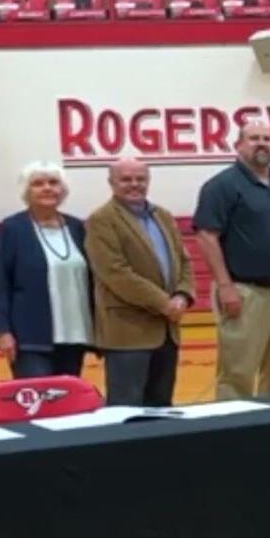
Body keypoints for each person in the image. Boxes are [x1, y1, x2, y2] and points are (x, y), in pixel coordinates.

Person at [193, 120, 270, 400]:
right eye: (254, 138)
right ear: (238, 145)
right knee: (238, 371)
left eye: (267, 139)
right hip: (245, 292)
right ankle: (234, 435)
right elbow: (207, 237)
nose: (262, 144)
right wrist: (225, 287)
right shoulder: (221, 186)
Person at [85, 157, 195, 406]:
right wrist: (164, 303)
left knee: (161, 406)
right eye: (126, 179)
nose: (134, 184)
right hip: (127, 333)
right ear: (111, 183)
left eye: (140, 179)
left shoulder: (164, 216)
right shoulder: (101, 220)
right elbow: (115, 272)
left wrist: (183, 295)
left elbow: (184, 261)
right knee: (126, 407)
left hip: (167, 331)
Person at [0, 162, 94, 378]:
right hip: (30, 339)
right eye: (38, 183)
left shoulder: (77, 227)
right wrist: (3, 332)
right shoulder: (13, 228)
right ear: (27, 191)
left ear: (62, 189)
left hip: (74, 335)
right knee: (39, 403)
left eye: (53, 182)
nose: (47, 188)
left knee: (68, 404)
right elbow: (0, 284)